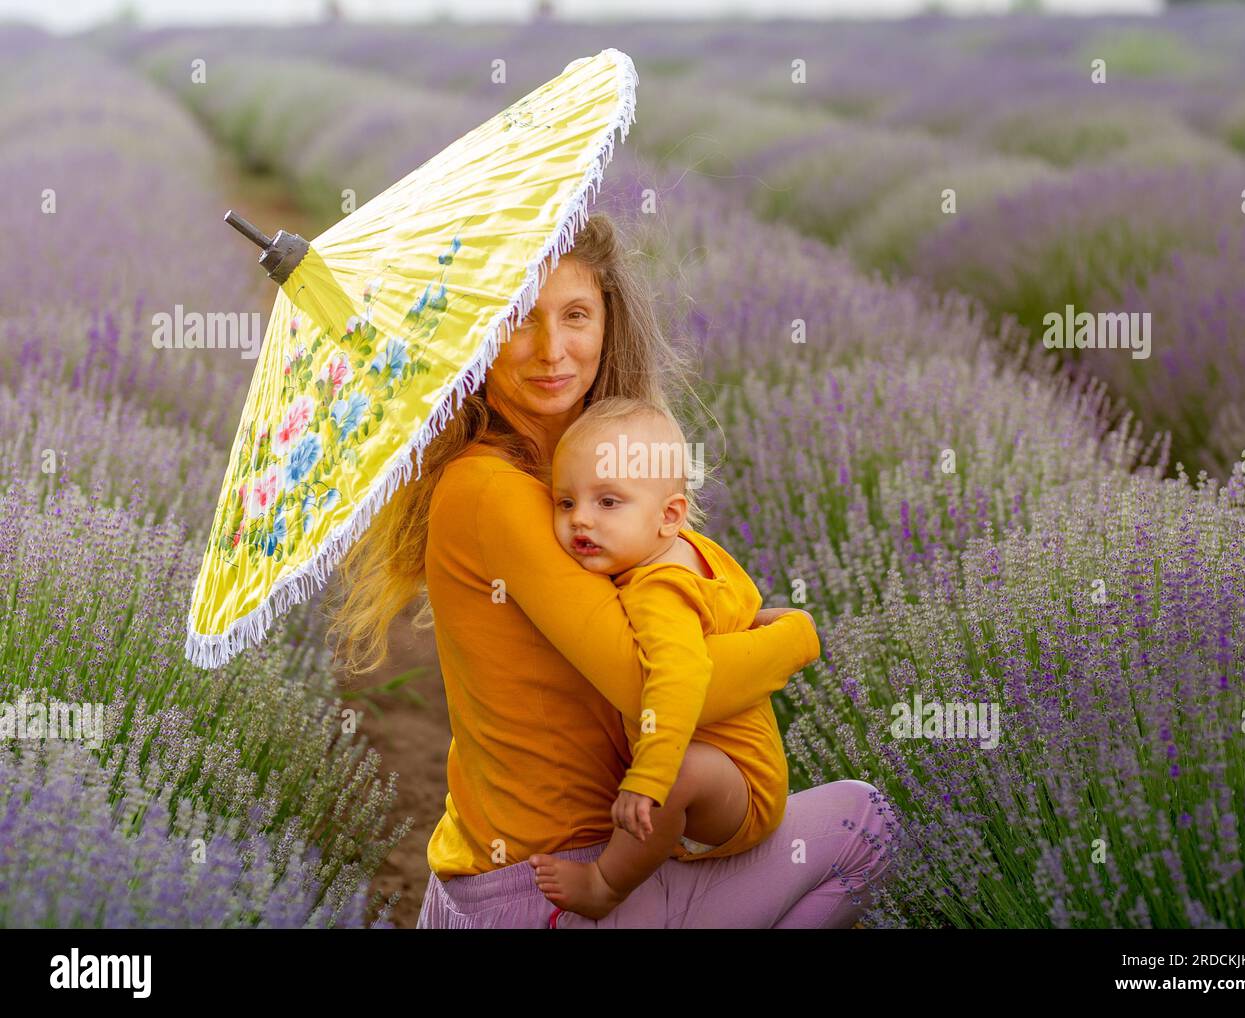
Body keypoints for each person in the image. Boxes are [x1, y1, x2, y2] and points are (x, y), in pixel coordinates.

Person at [328, 212, 898, 928]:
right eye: (519, 321)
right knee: (865, 823)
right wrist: (795, 641)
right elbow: (647, 687)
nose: (552, 351)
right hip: (551, 889)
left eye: (575, 315)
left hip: (500, 871)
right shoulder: (491, 488)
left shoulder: (569, 475)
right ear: (477, 336)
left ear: (608, 320)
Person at [530, 395, 803, 921]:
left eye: (608, 502)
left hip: (739, 793)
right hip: (745, 775)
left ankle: (605, 884)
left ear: (668, 515)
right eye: (565, 502)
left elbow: (680, 674)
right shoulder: (694, 550)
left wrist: (647, 779)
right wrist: (792, 632)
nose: (580, 519)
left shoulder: (659, 590)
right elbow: (746, 614)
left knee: (677, 775)